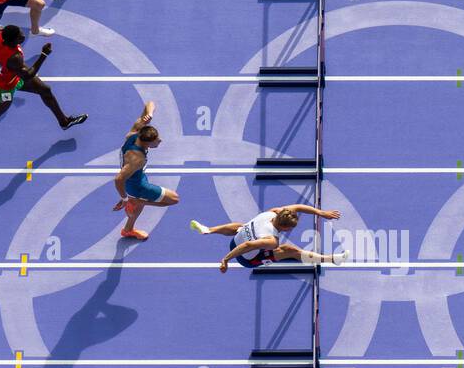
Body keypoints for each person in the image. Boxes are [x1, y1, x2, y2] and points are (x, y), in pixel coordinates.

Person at [191, 206, 347, 272]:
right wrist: (226, 260)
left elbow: (298, 207)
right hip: (246, 258)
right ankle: (332, 259)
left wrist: (322, 213)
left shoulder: (272, 213)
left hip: (235, 240)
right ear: (286, 228)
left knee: (242, 225)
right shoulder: (271, 241)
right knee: (290, 250)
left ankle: (209, 230)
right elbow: (248, 245)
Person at [112, 101, 179, 240]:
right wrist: (125, 198)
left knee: (137, 207)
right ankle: (136, 201)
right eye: (156, 141)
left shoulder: (135, 132)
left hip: (138, 176)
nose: (160, 141)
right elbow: (119, 179)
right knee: (173, 199)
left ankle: (128, 230)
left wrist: (149, 114)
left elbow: (150, 103)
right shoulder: (137, 159)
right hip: (136, 186)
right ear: (147, 143)